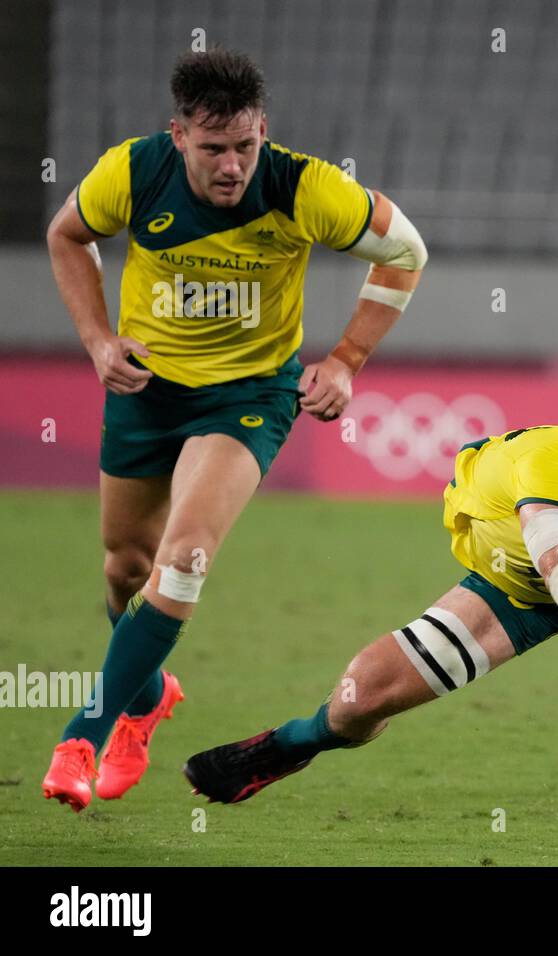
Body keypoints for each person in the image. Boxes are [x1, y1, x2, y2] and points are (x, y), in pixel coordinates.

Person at [42, 47, 428, 812]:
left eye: (245, 147)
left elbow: (405, 251)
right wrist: (96, 342)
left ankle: (82, 734)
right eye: (214, 148)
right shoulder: (131, 171)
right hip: (147, 389)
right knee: (127, 569)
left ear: (263, 133)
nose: (232, 166)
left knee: (183, 559)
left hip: (248, 396)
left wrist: (347, 359)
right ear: (178, 135)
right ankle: (149, 698)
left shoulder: (305, 186)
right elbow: (67, 235)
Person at [181, 368, 558, 803]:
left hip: (530, 598)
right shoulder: (556, 469)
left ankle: (286, 745)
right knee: (356, 701)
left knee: (367, 691)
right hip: (532, 544)